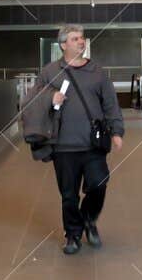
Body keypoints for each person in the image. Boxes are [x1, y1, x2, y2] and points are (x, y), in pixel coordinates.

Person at [35, 23, 124, 254]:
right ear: (63, 45)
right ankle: (73, 235)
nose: (81, 41)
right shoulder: (49, 72)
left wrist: (116, 131)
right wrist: (50, 97)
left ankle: (88, 219)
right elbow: (33, 100)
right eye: (75, 38)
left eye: (82, 37)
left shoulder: (97, 71)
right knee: (68, 195)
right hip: (63, 146)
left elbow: (110, 104)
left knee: (99, 184)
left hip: (93, 143)